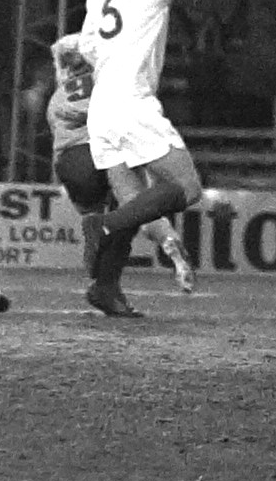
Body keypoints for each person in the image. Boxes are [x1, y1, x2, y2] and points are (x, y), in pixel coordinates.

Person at [73, 0, 251, 317]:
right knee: (185, 187)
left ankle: (106, 288)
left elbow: (89, 48)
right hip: (132, 105)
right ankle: (105, 226)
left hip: (101, 109)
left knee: (136, 202)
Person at [49, 32, 193, 292]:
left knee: (92, 215)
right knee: (134, 207)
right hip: (116, 151)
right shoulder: (114, 85)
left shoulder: (58, 97)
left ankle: (97, 269)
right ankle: (167, 239)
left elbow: (58, 130)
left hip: (75, 160)